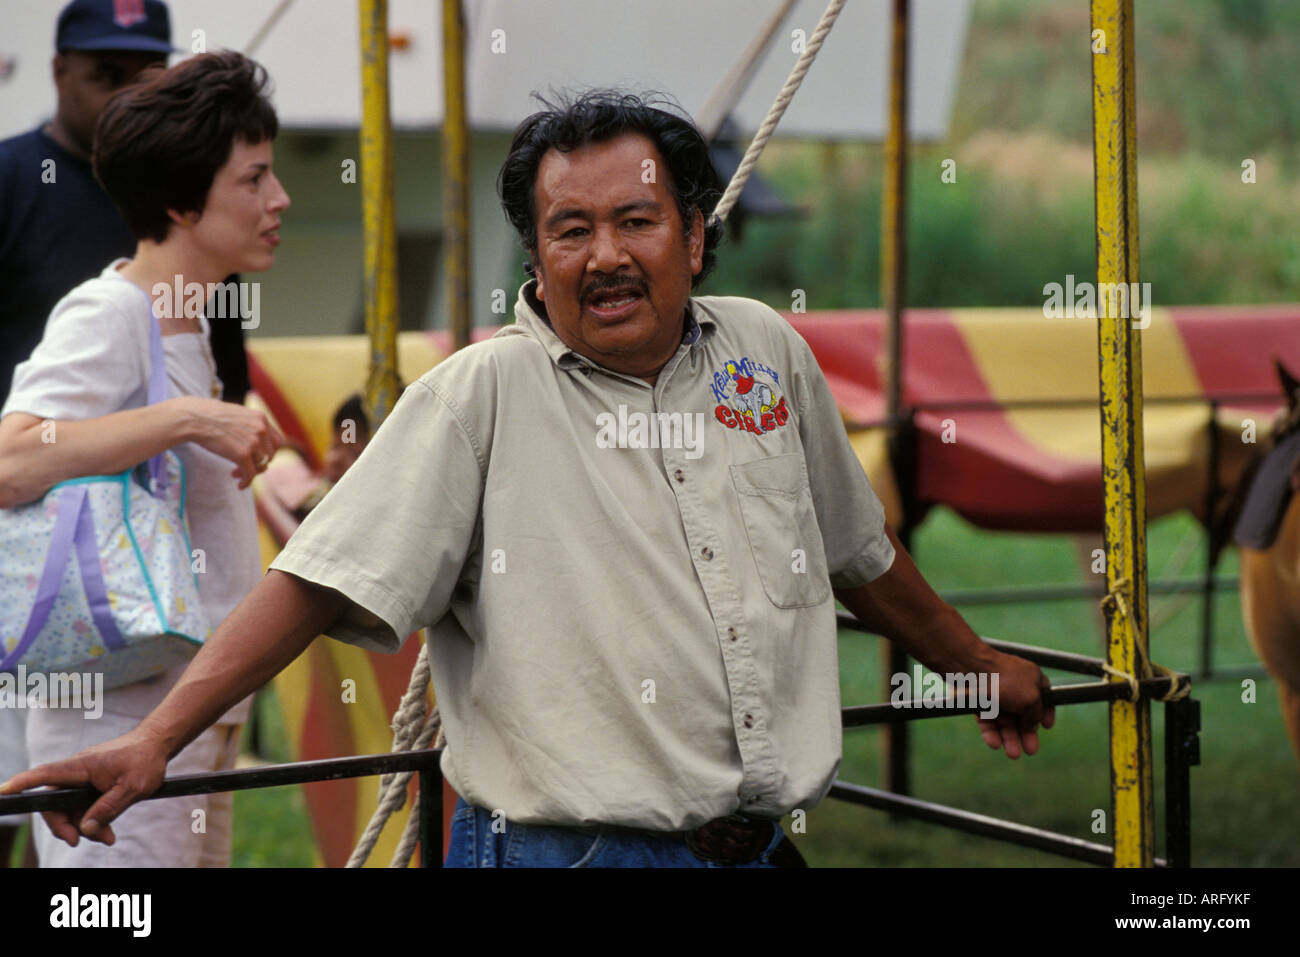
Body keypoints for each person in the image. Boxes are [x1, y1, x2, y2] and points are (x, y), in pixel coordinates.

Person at [2, 90, 1052, 868]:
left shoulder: (765, 355)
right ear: (535, 258)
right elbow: (317, 582)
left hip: (758, 849)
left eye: (636, 221)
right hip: (568, 857)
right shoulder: (478, 397)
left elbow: (851, 548)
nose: (604, 255)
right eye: (569, 230)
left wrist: (971, 663)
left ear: (695, 233)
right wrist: (148, 746)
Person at [0, 50, 287, 866]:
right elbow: (11, 460)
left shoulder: (190, 324)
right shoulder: (110, 310)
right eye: (254, 179)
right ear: (180, 202)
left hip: (189, 722)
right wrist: (188, 417)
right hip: (115, 727)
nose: (279, 200)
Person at [0, 0, 173, 866]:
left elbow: (229, 383)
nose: (124, 96)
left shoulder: (174, 201)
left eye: (147, 77)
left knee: (90, 835)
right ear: (60, 69)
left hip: (138, 575)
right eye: (107, 74)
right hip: (20, 551)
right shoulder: (7, 178)